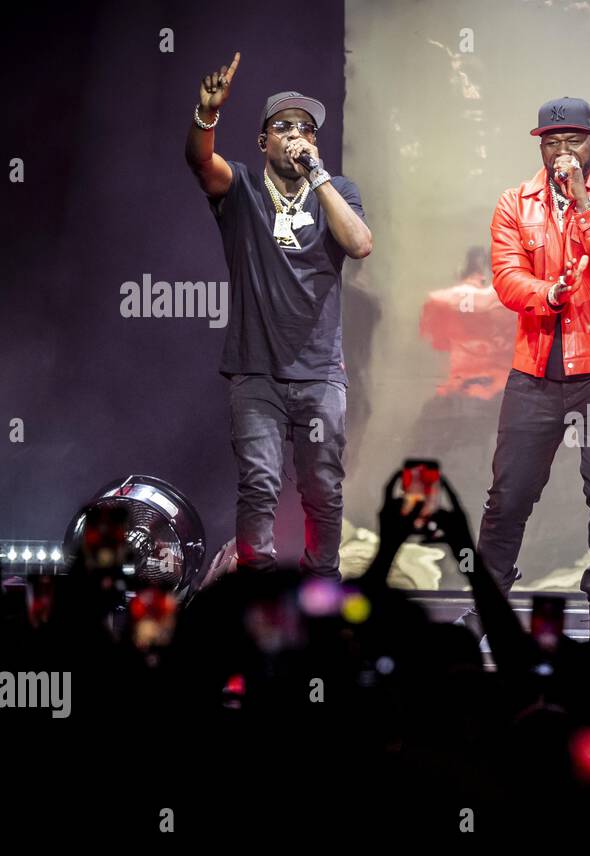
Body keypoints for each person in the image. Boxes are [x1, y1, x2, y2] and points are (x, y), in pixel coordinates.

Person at [184, 53, 372, 580]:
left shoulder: (338, 193)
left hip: (319, 373)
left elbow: (359, 244)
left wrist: (319, 177)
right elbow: (201, 162)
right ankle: (256, 596)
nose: (296, 134)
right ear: (264, 142)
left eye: (306, 129)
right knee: (260, 486)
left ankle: (321, 594)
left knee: (322, 489)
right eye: (283, 127)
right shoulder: (242, 189)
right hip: (257, 372)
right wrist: (206, 114)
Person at [474, 97, 590, 640]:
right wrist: (547, 293)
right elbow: (506, 278)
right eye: (551, 142)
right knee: (508, 494)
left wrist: (583, 206)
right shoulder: (515, 202)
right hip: (535, 369)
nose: (561, 152)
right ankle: (489, 605)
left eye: (573, 141)